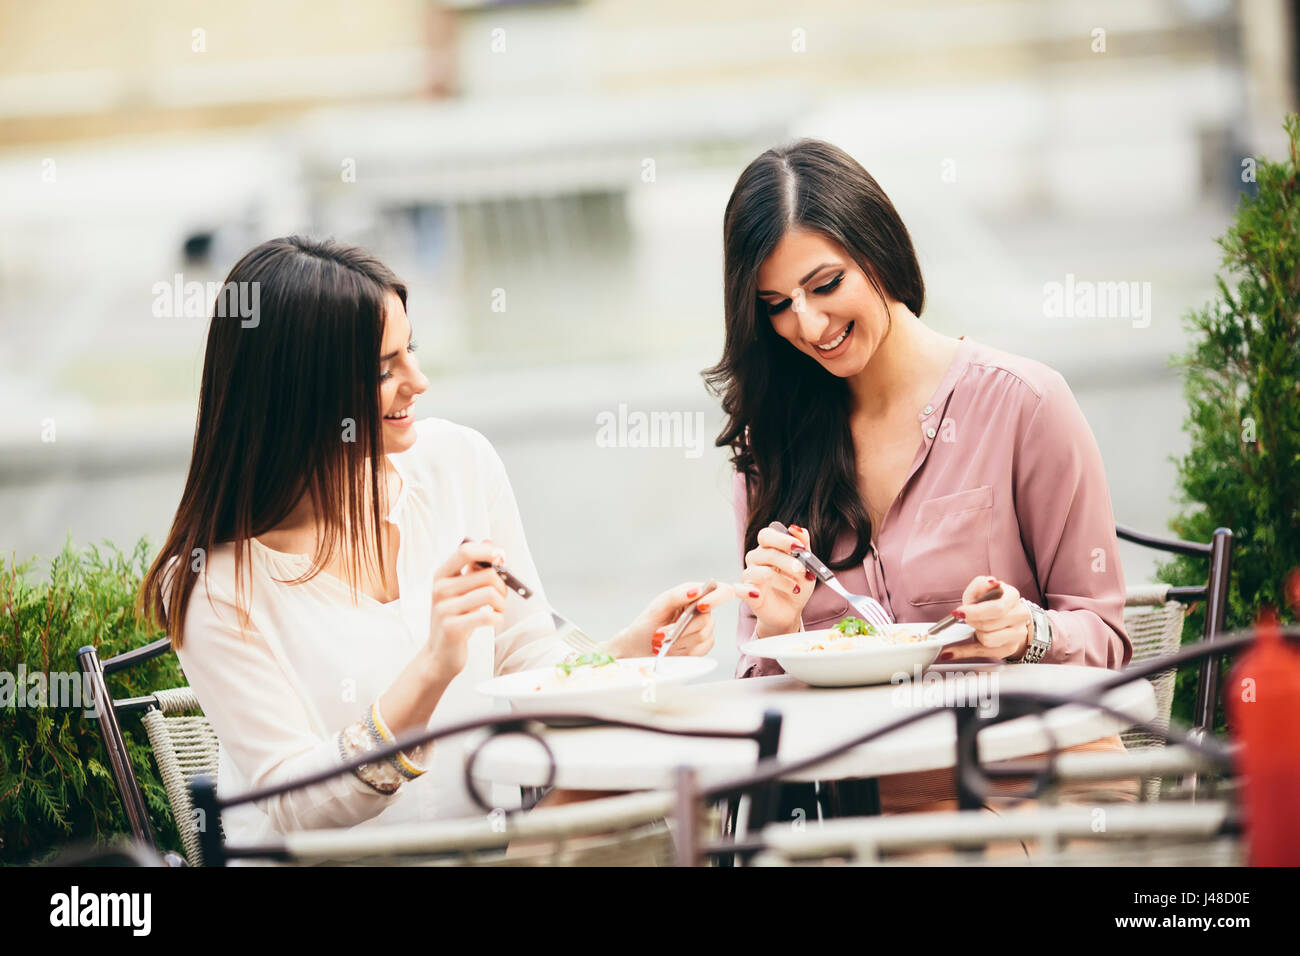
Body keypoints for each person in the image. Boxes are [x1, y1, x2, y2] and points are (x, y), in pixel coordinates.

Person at [140, 236, 733, 843]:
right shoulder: (212, 585)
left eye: (411, 350)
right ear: (298, 395)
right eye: (382, 369)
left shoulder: (458, 464)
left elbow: (527, 663)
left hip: (482, 848)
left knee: (644, 787)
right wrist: (432, 668)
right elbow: (298, 805)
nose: (417, 382)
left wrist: (636, 649)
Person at [704, 140, 1136, 816]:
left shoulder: (1024, 403)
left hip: (1033, 779)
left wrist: (1027, 631)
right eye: (777, 304)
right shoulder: (773, 447)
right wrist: (777, 625)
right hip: (859, 808)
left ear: (877, 249)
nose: (809, 324)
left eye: (825, 285)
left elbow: (1106, 640)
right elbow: (762, 710)